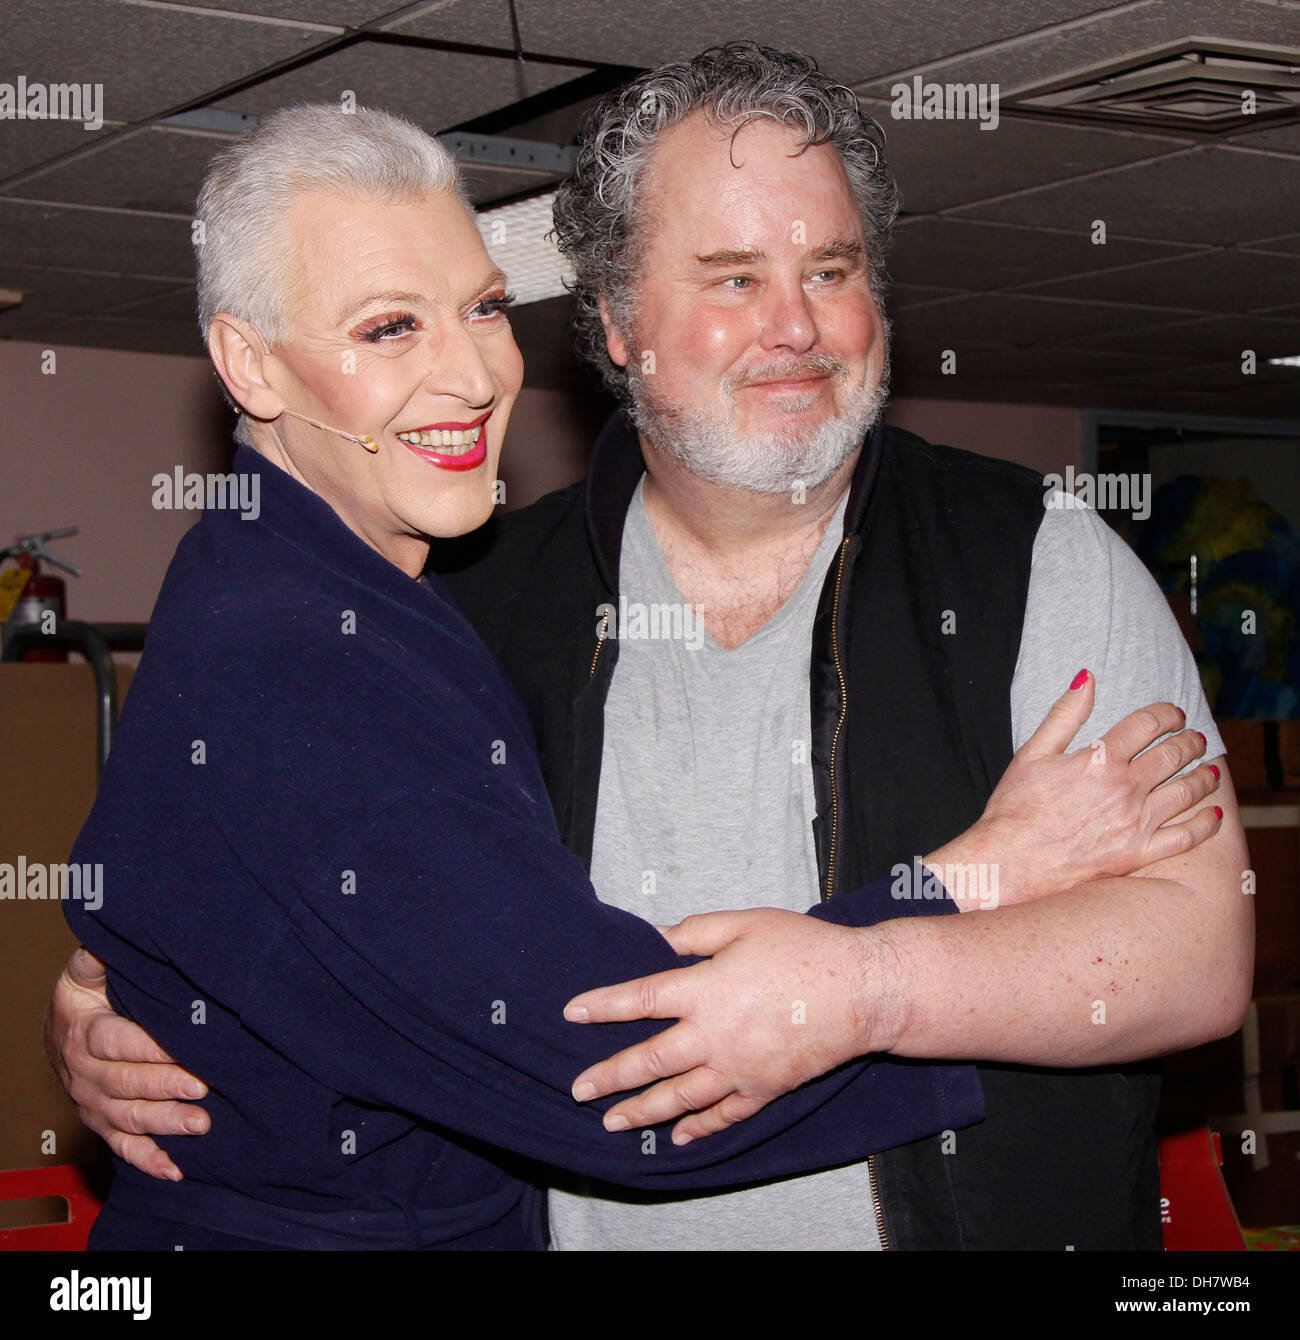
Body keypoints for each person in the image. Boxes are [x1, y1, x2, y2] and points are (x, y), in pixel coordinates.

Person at [48, 44, 1248, 1251]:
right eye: (732, 278)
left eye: (829, 268)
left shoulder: (1031, 557)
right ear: (617, 322)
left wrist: (885, 983)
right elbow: (526, 1014)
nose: (794, 324)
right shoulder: (472, 596)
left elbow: (1196, 957)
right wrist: (139, 988)